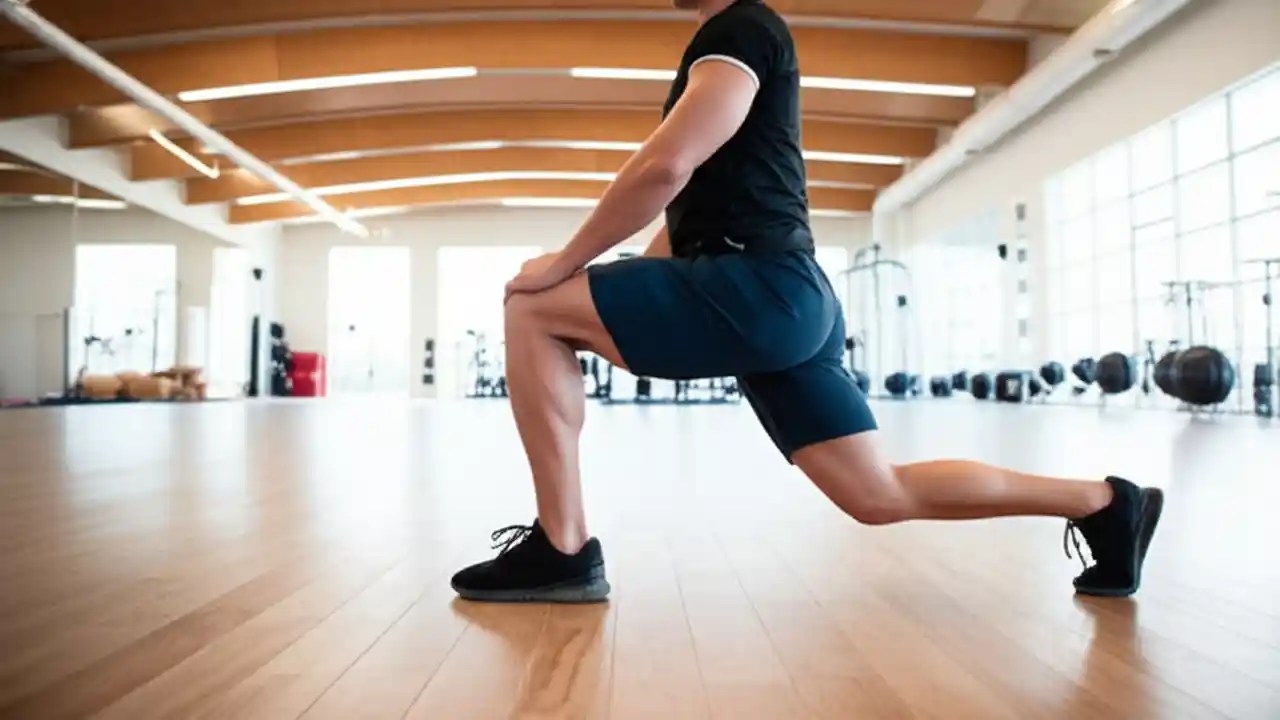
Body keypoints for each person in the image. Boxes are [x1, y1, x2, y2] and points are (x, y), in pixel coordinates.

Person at [450, 0, 1163, 603]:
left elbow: (664, 166)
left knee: (531, 308)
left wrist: (565, 265)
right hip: (791, 295)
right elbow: (685, 210)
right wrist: (622, 285)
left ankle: (563, 548)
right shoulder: (746, 39)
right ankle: (1104, 503)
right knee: (877, 494)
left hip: (758, 288)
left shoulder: (739, 29)